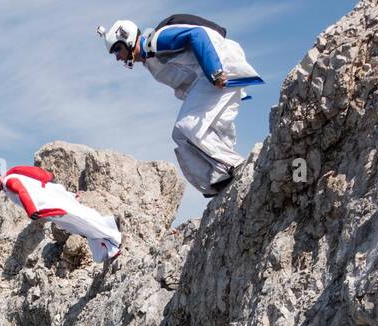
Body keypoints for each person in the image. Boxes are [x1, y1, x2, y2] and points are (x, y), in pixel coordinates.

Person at [98, 14, 263, 196]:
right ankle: (218, 181)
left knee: (185, 128)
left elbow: (198, 34)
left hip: (217, 71)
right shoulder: (150, 58)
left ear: (127, 40)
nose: (117, 58)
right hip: (213, 80)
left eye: (116, 50)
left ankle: (234, 165)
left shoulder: (156, 41)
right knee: (197, 133)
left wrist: (214, 70)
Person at [0, 164, 123, 263]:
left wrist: (31, 210)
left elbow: (22, 190)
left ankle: (111, 239)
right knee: (78, 222)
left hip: (49, 204)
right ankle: (107, 230)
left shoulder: (9, 181)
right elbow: (34, 173)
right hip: (50, 201)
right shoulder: (10, 175)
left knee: (80, 220)